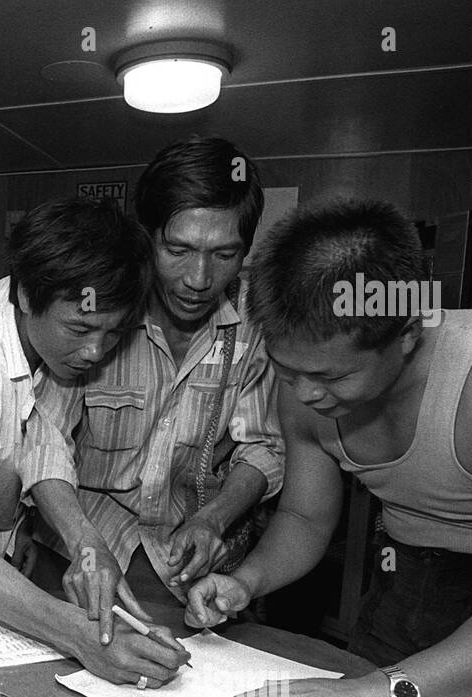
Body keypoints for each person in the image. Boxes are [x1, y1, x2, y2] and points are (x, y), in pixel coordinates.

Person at [185, 198, 472, 697]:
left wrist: (384, 693)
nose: (304, 394)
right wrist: (244, 581)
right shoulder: (306, 378)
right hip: (402, 580)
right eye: (287, 370)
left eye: (331, 376)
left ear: (406, 333)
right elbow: (305, 516)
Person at [23, 136, 285, 652]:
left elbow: (263, 446)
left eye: (224, 254)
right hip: (74, 557)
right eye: (178, 250)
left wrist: (214, 518)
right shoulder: (100, 304)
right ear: (147, 238)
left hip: (186, 573)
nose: (198, 279)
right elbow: (43, 437)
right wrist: (83, 543)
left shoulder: (258, 319)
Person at [0, 197, 187, 684]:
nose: (94, 352)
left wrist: (87, 542)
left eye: (114, 334)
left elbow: (41, 437)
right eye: (82, 328)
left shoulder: (46, 333)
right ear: (25, 296)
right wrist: (76, 635)